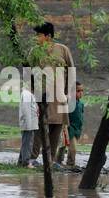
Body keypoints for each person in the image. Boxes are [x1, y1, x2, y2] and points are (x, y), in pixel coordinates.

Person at [29, 22, 76, 165]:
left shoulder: (63, 50)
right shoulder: (34, 51)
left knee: (57, 125)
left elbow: (72, 71)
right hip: (41, 95)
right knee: (39, 126)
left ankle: (51, 160)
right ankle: (33, 157)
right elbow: (28, 73)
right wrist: (31, 93)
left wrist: (69, 93)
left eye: (39, 35)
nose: (37, 38)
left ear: (48, 36)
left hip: (60, 95)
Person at [58, 81, 85, 169]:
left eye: (82, 91)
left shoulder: (80, 103)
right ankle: (69, 163)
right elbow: (62, 114)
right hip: (69, 127)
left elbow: (80, 116)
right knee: (70, 147)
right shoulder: (68, 101)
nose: (80, 93)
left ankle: (61, 162)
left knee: (65, 146)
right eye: (78, 91)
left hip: (77, 129)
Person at [18, 84, 39, 167]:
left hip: (30, 123)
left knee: (26, 142)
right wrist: (29, 124)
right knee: (28, 143)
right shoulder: (26, 94)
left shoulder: (29, 93)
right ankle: (26, 163)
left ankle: (21, 161)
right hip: (28, 123)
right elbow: (26, 110)